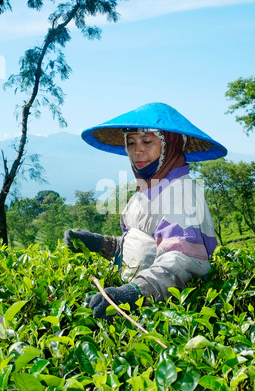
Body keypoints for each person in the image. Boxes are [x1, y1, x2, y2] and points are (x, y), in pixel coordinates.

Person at [64, 102, 227, 319]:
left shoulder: (182, 193)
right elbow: (141, 246)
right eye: (130, 142)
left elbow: (180, 260)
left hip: (172, 312)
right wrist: (98, 243)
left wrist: (133, 292)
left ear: (171, 145)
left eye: (147, 141)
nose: (137, 150)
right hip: (145, 304)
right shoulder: (145, 192)